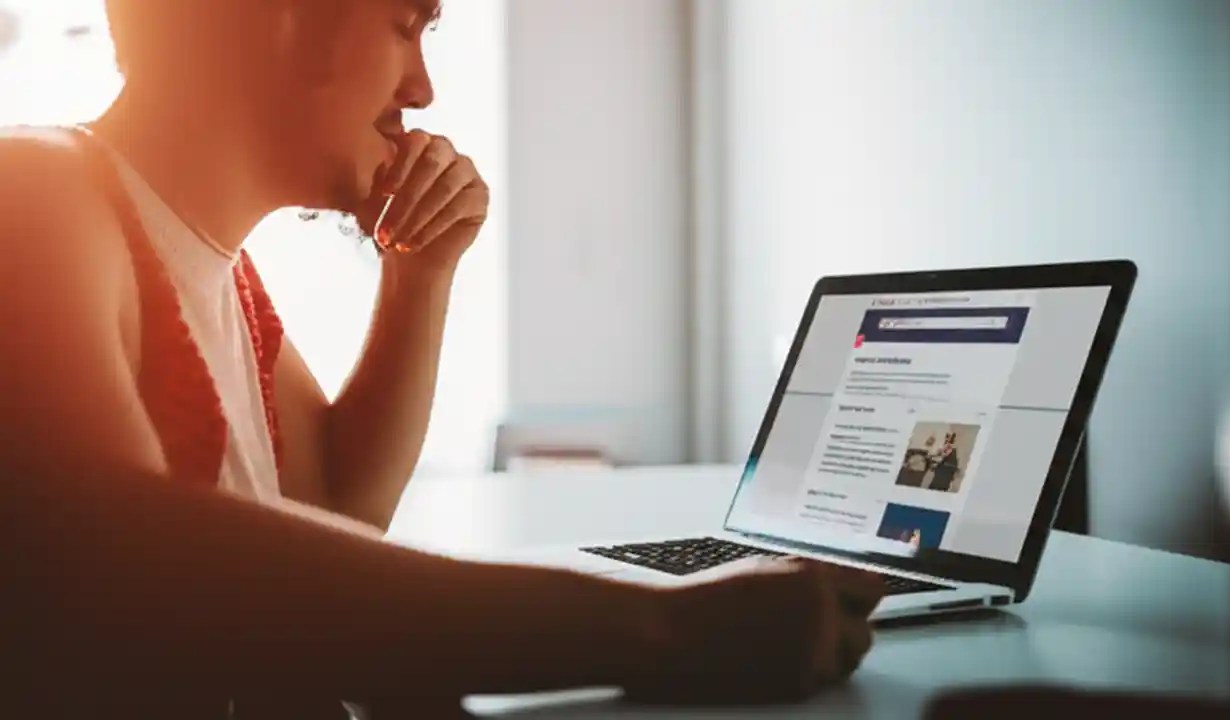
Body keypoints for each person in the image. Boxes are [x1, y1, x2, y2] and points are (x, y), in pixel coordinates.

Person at [0, 0, 884, 716]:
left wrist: (419, 276)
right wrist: (661, 631)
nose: (419, 89)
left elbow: (339, 506)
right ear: (283, 20)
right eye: (407, 24)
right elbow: (125, 553)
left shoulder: (220, 275)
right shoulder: (35, 191)